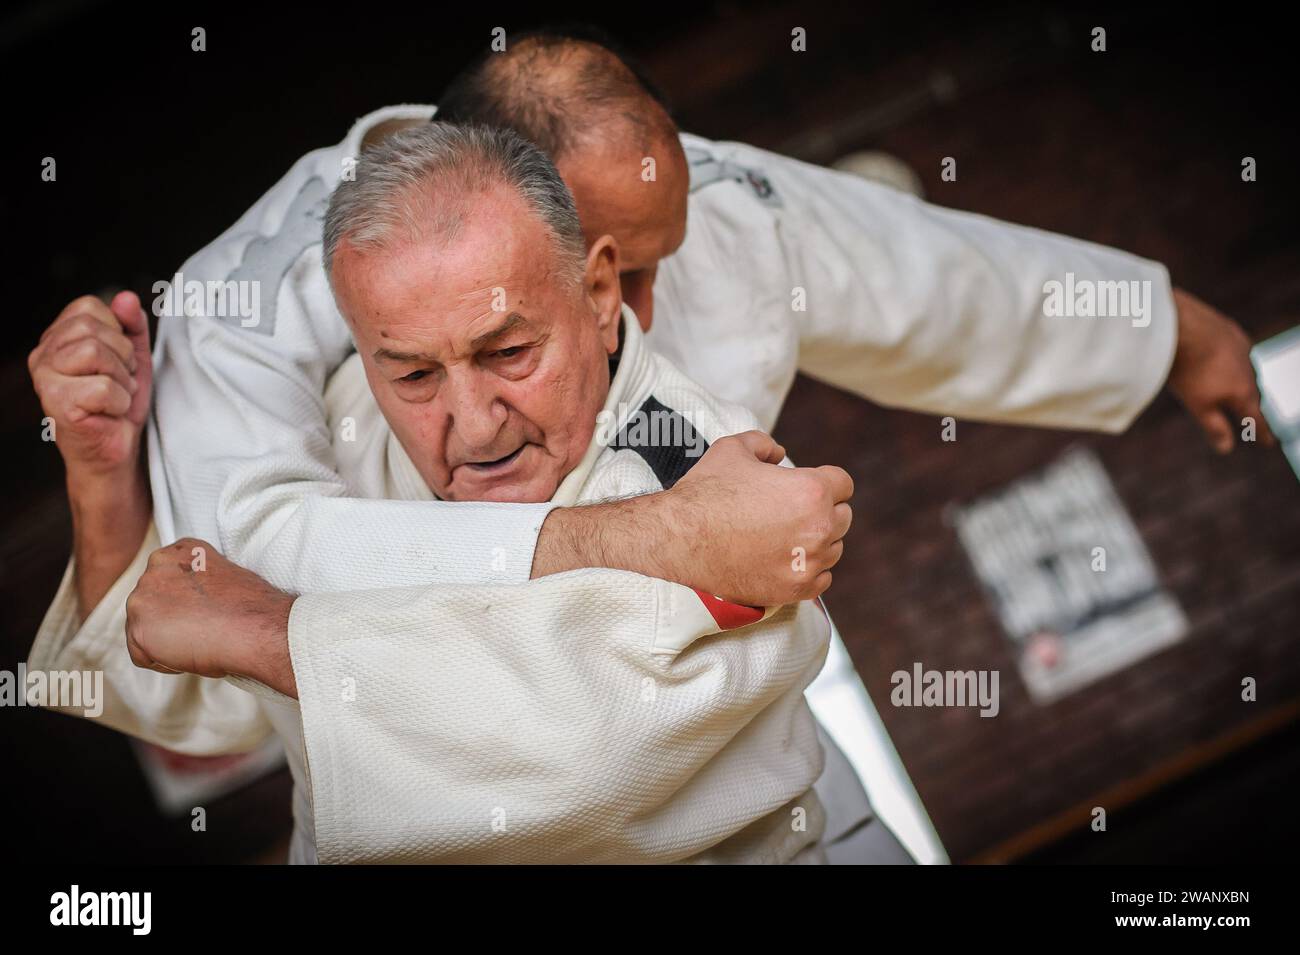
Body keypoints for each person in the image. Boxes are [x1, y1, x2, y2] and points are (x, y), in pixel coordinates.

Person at [33, 123, 854, 863]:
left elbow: (575, 753)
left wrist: (269, 636)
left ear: (599, 295)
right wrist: (102, 473)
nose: (475, 425)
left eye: (508, 352)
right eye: (418, 373)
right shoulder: (345, 431)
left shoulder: (698, 469)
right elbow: (195, 699)